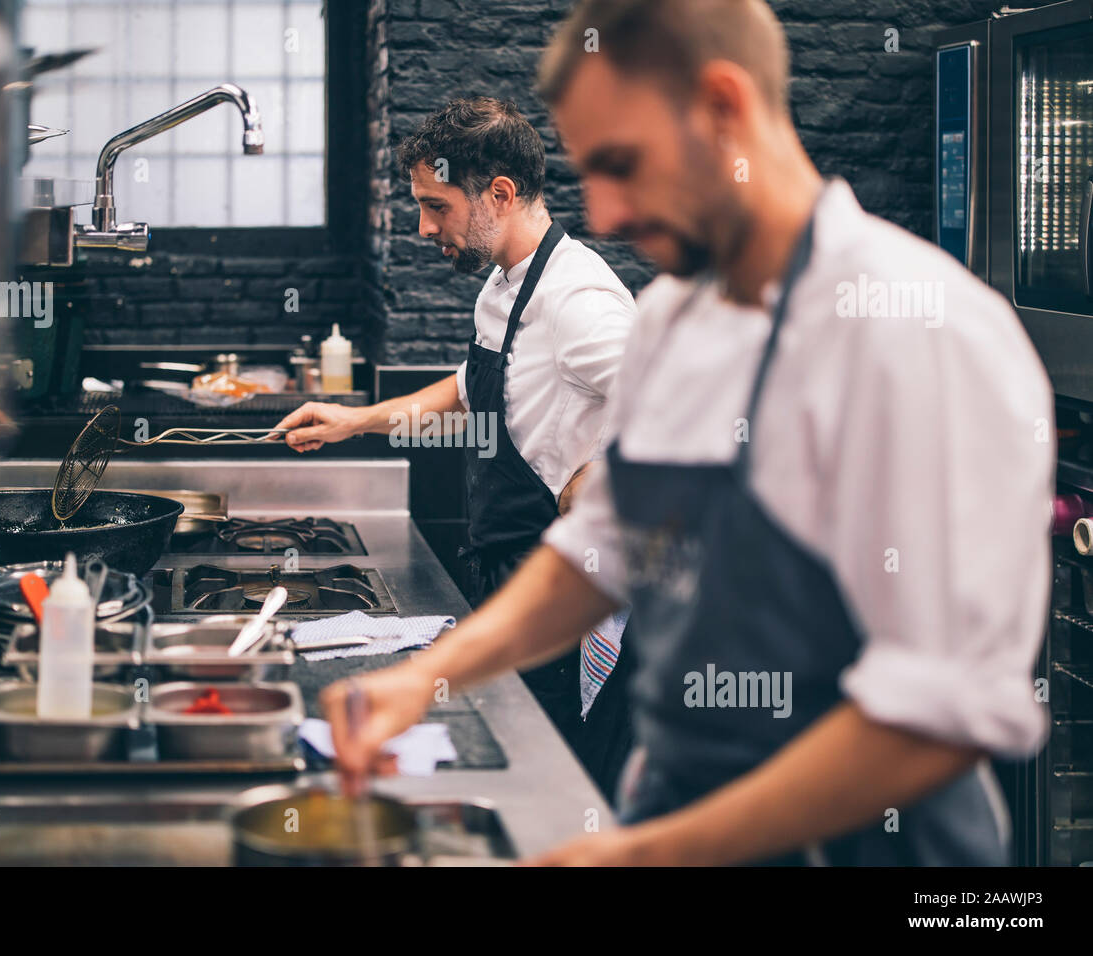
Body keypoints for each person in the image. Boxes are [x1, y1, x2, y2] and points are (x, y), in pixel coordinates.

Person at [322, 0, 1054, 866]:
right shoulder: (674, 315)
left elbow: (937, 721)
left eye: (622, 164)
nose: (604, 212)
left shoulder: (923, 332)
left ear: (724, 106)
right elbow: (607, 545)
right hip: (679, 809)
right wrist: (419, 678)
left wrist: (646, 852)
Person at [274, 97, 639, 796]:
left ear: (499, 194)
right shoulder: (503, 288)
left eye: (436, 206)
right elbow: (471, 389)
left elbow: (683, 411)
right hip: (505, 568)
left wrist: (600, 475)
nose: (423, 226)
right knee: (509, 763)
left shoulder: (578, 299)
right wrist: (356, 421)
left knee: (553, 787)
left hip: (563, 595)